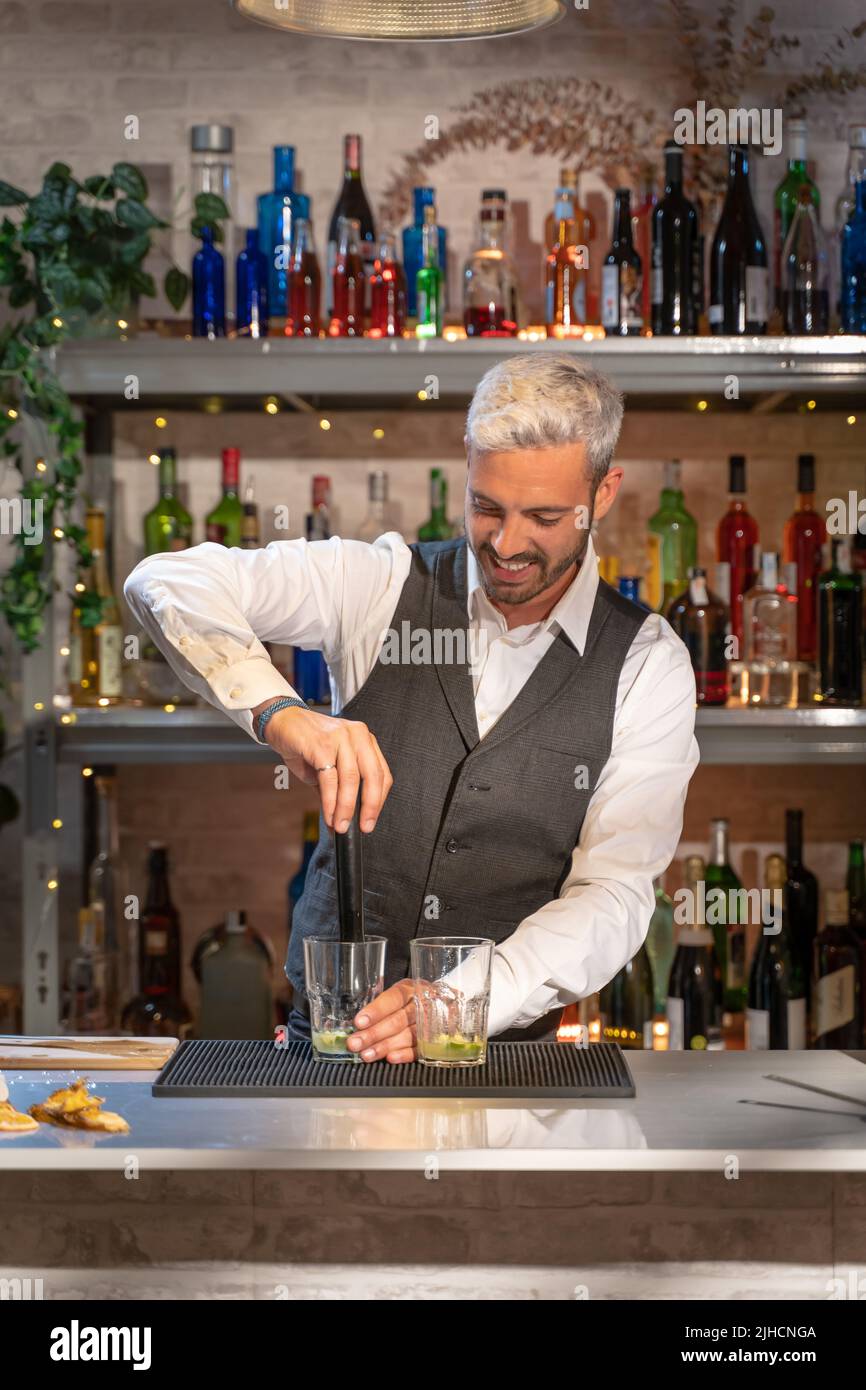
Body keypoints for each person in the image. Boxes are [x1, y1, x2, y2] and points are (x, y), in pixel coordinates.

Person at [125, 353, 699, 1062]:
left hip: (504, 1061)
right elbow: (165, 579)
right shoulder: (379, 584)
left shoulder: (647, 663)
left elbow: (614, 894)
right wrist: (282, 713)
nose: (508, 543)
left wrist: (462, 1000)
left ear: (603, 493)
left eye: (544, 517)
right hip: (329, 1051)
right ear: (466, 469)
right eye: (487, 507)